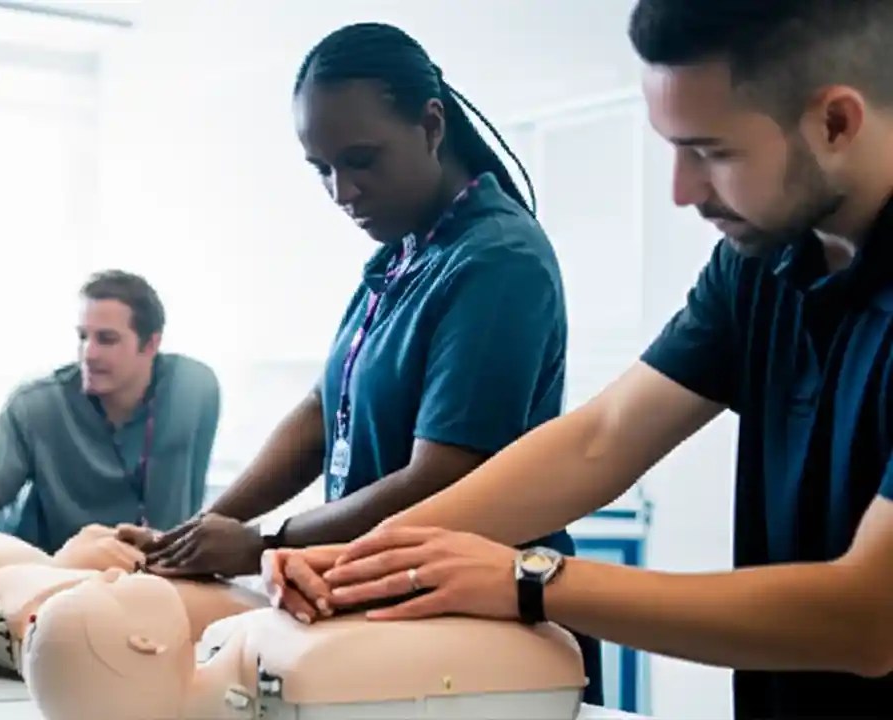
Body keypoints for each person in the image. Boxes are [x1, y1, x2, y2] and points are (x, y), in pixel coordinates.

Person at [265, 2, 893, 718]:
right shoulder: (760, 262)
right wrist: (367, 559)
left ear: (836, 122)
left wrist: (530, 579)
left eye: (712, 153)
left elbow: (869, 616)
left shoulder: (498, 255)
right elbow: (604, 438)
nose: (682, 193)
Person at [131, 22, 602, 705]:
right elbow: (325, 411)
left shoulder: (499, 260)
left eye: (362, 160)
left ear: (431, 125)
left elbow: (444, 477)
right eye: (321, 168)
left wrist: (262, 542)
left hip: (486, 631)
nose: (341, 191)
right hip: (400, 615)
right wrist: (202, 534)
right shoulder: (399, 256)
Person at [0, 270, 220, 555]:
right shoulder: (38, 405)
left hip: (145, 575)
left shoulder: (193, 391)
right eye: (82, 336)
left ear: (151, 345)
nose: (88, 353)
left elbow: (190, 509)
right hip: (44, 569)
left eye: (107, 339)